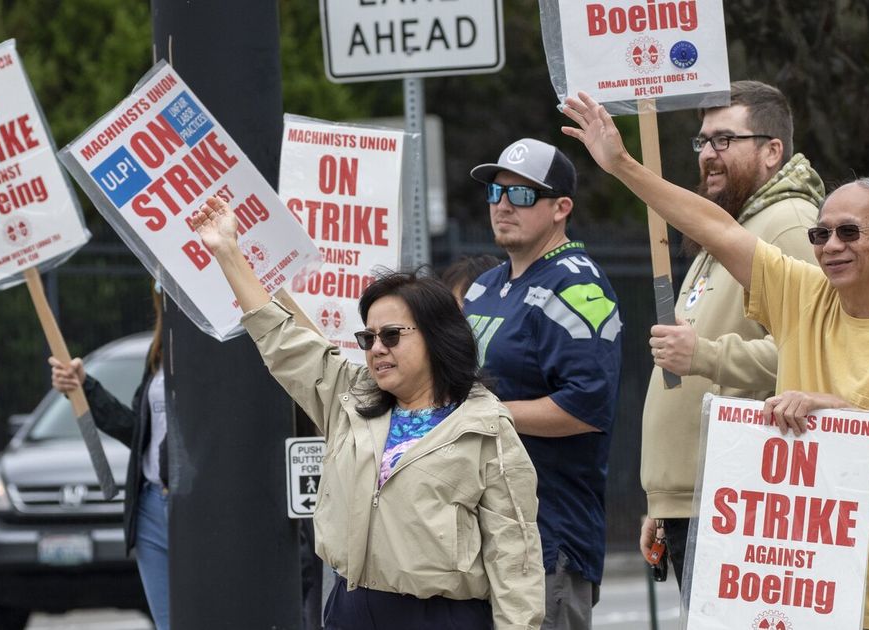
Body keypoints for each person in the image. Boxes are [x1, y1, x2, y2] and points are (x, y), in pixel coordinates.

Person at [563, 91, 869, 630]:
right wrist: (621, 164)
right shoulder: (803, 294)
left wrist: (840, 415)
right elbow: (717, 228)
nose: (830, 246)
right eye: (820, 234)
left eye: (849, 232)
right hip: (787, 598)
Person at [193, 195, 544, 629]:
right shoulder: (351, 398)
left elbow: (516, 556)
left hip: (441, 616)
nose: (377, 348)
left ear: (437, 337)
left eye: (393, 335)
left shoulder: (486, 427)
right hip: (352, 609)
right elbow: (280, 339)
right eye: (369, 337)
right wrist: (228, 250)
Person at [638, 81, 823, 587]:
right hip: (697, 498)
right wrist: (665, 498)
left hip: (738, 497)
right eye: (702, 142)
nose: (709, 155)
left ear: (772, 151)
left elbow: (814, 353)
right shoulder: (733, 225)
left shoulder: (788, 224)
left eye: (724, 140)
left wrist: (705, 354)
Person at [463, 138, 622, 629]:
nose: (504, 205)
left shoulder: (579, 286)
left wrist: (482, 416)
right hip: (480, 533)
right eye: (495, 192)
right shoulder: (485, 286)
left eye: (523, 195)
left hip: (546, 540)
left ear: (561, 208)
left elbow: (587, 408)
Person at [48, 286, 172, 630]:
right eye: (158, 284)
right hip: (149, 508)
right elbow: (138, 432)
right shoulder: (158, 353)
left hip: (195, 508)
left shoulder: (212, 349)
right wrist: (84, 386)